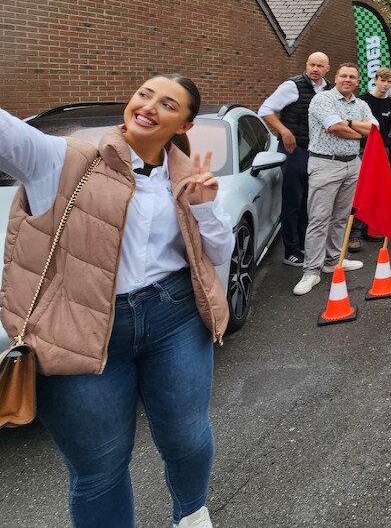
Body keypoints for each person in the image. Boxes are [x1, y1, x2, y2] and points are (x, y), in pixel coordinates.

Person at [1, 74, 232, 528]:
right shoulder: (62, 161)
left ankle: (191, 515)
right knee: (100, 467)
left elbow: (216, 255)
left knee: (187, 437)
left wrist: (204, 205)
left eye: (167, 104)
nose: (148, 106)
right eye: (145, 94)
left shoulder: (188, 176)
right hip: (78, 329)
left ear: (184, 124)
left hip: (175, 317)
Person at [293, 63, 377, 296]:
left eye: (352, 76)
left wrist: (348, 124)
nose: (348, 80)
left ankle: (333, 260)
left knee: (342, 216)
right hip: (325, 163)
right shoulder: (322, 100)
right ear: (336, 78)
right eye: (343, 76)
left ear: (358, 81)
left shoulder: (361, 104)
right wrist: (357, 129)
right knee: (319, 219)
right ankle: (311, 270)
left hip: (352, 164)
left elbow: (374, 130)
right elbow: (334, 127)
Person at [258, 52, 332, 267]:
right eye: (311, 64)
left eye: (319, 65)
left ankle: (304, 244)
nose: (315, 69)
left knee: (310, 200)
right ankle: (290, 250)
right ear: (306, 65)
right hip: (294, 148)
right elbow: (266, 109)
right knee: (293, 199)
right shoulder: (292, 86)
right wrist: (284, 131)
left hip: (316, 151)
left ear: (327, 69)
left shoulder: (328, 90)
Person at [349, 66, 391, 251]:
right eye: (383, 80)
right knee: (360, 188)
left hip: (382, 149)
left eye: (389, 82)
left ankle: (369, 228)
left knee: (377, 190)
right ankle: (354, 234)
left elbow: (386, 127)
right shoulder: (362, 100)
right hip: (363, 149)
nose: (385, 85)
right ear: (376, 79)